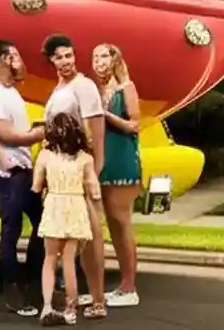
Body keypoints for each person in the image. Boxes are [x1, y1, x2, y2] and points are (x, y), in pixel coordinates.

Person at [41, 33, 107, 320]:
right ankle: (81, 295)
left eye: (69, 55)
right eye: (59, 57)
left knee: (89, 236)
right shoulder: (59, 89)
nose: (66, 61)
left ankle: (98, 299)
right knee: (74, 240)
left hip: (80, 169)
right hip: (61, 172)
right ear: (51, 60)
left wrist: (95, 169)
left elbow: (96, 130)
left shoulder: (84, 86)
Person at [0, 39, 47, 317]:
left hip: (23, 169)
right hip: (9, 173)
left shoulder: (11, 91)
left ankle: (33, 280)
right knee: (12, 229)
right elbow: (4, 134)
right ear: (5, 59)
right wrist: (39, 134)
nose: (21, 61)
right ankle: (13, 289)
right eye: (16, 55)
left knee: (43, 222)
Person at [32, 112, 101, 326]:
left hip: (54, 204)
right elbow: (94, 190)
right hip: (76, 206)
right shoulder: (85, 159)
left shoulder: (45, 156)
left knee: (49, 258)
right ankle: (71, 308)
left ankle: (47, 306)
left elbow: (36, 186)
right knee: (69, 260)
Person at [92, 43, 143, 308]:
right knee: (110, 223)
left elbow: (134, 125)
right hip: (103, 161)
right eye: (95, 56)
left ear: (114, 60)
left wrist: (106, 115)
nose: (98, 61)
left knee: (122, 222)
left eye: (103, 55)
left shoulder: (126, 88)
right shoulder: (96, 91)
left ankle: (130, 286)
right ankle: (121, 285)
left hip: (122, 160)